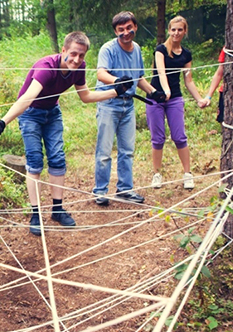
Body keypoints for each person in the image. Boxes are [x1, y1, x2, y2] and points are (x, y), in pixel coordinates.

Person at [0, 31, 125, 236]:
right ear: (64, 51)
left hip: (52, 113)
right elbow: (27, 98)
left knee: (58, 158)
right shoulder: (46, 68)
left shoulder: (79, 68)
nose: (77, 60)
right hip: (30, 113)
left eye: (82, 55)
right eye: (74, 54)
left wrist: (115, 90)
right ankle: (35, 214)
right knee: (34, 161)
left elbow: (85, 96)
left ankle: (57, 210)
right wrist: (4, 121)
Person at [93, 11, 163, 206]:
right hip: (109, 103)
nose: (125, 32)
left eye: (129, 28)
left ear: (135, 27)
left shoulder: (137, 49)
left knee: (127, 150)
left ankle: (124, 189)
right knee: (105, 151)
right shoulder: (108, 49)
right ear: (116, 31)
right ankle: (100, 191)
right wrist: (117, 81)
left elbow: (139, 77)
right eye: (120, 29)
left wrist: (152, 91)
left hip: (128, 105)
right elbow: (100, 73)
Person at [146, 15, 209, 190]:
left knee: (179, 136)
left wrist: (199, 99)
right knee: (157, 139)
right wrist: (165, 91)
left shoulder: (186, 54)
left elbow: (188, 80)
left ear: (185, 31)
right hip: (156, 98)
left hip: (174, 99)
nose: (176, 33)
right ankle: (157, 174)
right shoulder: (161, 50)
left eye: (180, 29)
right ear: (168, 30)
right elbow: (161, 72)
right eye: (173, 29)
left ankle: (187, 174)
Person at [205, 47, 225, 123]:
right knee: (223, 120)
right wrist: (208, 96)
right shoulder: (228, 49)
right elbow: (219, 74)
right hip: (226, 92)